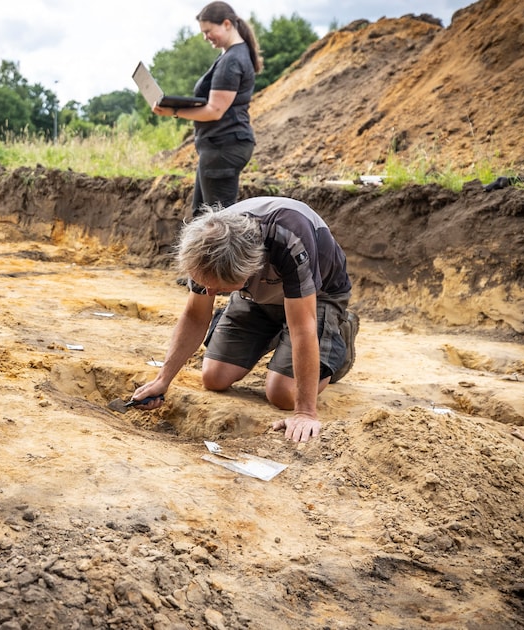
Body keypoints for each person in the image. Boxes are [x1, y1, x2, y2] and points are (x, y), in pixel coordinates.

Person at [128, 197, 359, 443]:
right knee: (214, 377)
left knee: (282, 393)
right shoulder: (204, 249)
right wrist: (163, 380)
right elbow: (196, 315)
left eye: (219, 288)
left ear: (250, 269)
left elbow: (302, 327)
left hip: (318, 297)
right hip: (257, 297)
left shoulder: (290, 237)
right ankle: (275, 331)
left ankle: (337, 335)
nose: (210, 293)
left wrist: (305, 412)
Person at [153, 1, 262, 214]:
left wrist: (174, 111)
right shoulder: (230, 55)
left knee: (217, 221)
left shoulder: (232, 61)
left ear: (227, 24)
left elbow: (214, 110)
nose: (205, 37)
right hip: (220, 146)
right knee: (203, 216)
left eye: (208, 31)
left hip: (224, 146)